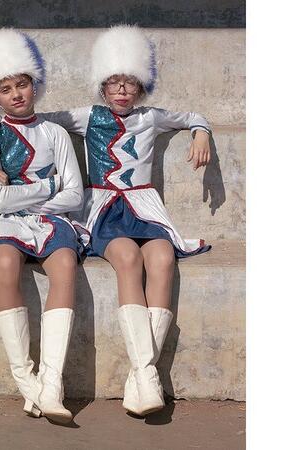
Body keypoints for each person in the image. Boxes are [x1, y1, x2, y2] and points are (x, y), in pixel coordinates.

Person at [39, 25, 212, 416]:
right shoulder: (86, 117)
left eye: (130, 83)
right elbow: (38, 118)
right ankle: (147, 374)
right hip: (104, 208)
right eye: (114, 83)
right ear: (102, 86)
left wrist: (200, 131)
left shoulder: (151, 117)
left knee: (164, 259)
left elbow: (192, 115)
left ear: (140, 87)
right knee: (129, 260)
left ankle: (140, 375)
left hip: (144, 206)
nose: (121, 90)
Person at [0, 29, 84, 424]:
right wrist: (50, 184)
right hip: (3, 223)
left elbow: (75, 195)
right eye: (5, 89)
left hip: (51, 221)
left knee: (66, 264)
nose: (16, 94)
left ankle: (52, 384)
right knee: (4, 263)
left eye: (22, 84)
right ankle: (26, 380)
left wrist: (30, 191)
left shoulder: (55, 133)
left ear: (35, 85)